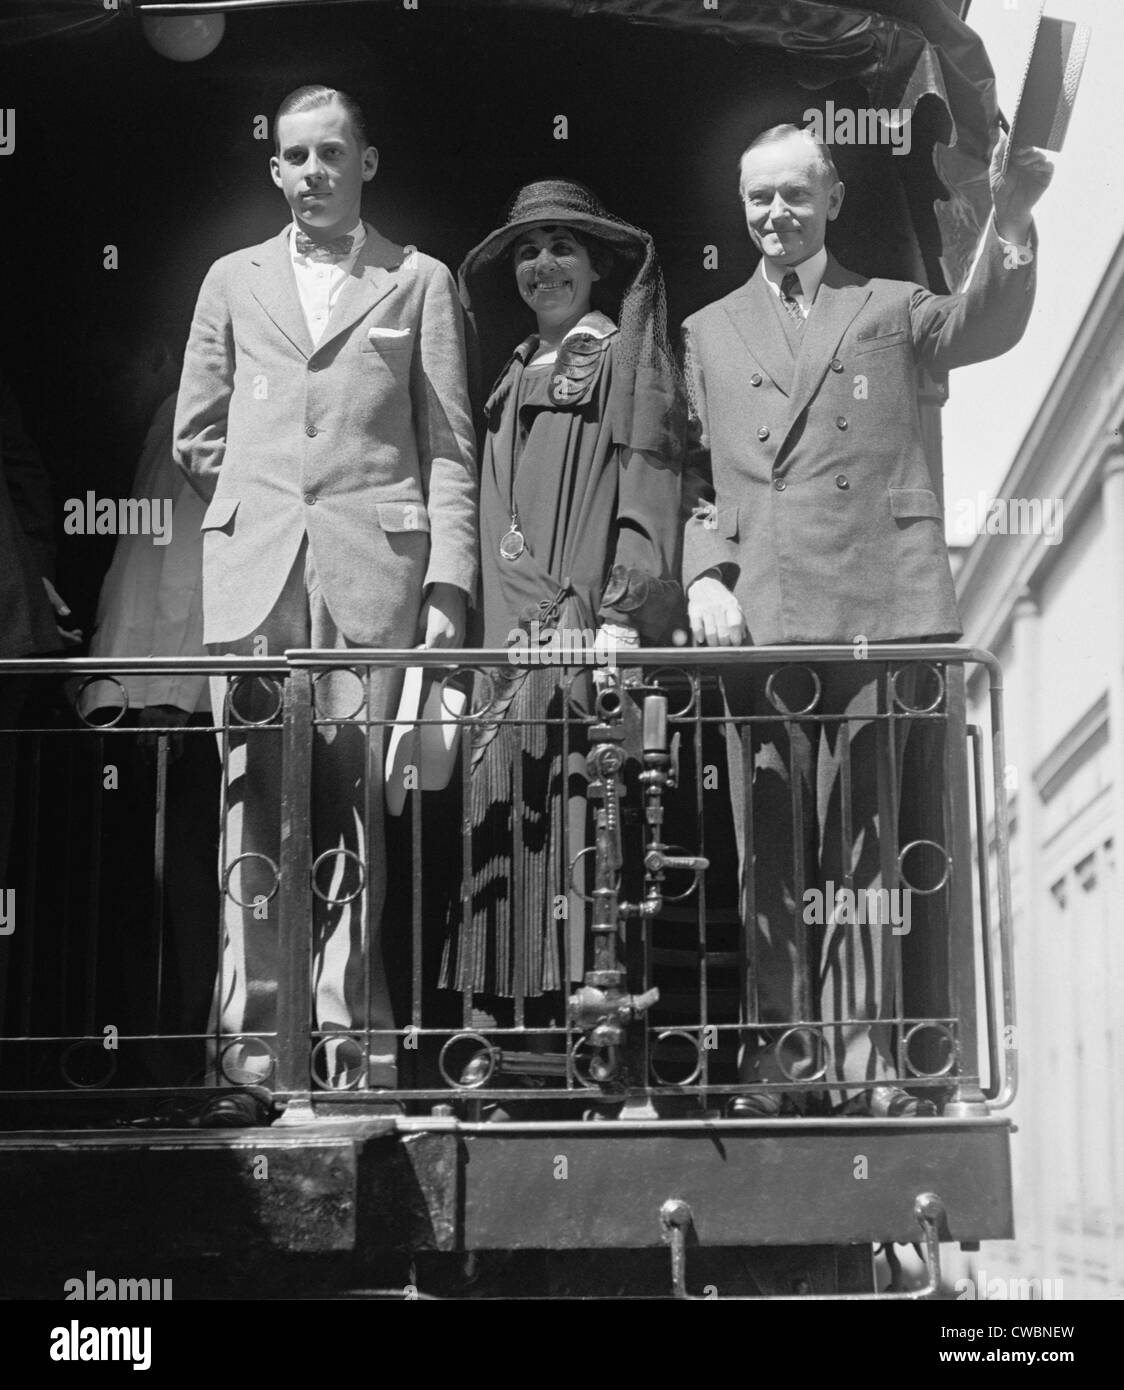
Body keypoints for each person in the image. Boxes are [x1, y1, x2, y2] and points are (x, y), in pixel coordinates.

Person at [681, 123, 1053, 1116]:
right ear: (740, 203)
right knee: (767, 845)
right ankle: (788, 1055)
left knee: (861, 847)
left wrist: (1007, 221)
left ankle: (858, 1057)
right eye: (758, 197)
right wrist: (704, 577)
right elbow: (685, 477)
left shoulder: (889, 306)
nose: (775, 214)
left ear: (832, 199)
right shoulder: (706, 331)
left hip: (871, 610)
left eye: (795, 195)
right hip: (759, 617)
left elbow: (983, 318)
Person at [174, 86, 477, 1101]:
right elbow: (196, 433)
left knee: (352, 814)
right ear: (274, 170)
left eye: (331, 154)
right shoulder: (231, 278)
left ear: (366, 162)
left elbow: (448, 450)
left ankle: (347, 1046)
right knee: (250, 814)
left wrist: (443, 587)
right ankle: (251, 1044)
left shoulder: (419, 279)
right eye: (294, 157)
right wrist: (262, 506)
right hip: (257, 579)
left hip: (372, 579)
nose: (312, 173)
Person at [440, 179, 682, 1027]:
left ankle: (587, 1054)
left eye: (563, 246)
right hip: (504, 643)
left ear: (599, 264)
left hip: (579, 636)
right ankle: (498, 1050)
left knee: (580, 825)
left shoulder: (620, 355)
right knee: (501, 838)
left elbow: (650, 478)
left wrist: (620, 609)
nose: (544, 264)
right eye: (529, 249)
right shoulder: (511, 371)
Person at [77, 387, 220, 1085]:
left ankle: (178, 1063)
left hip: (172, 698)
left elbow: (182, 560)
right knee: (160, 884)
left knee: (181, 885)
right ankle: (157, 1059)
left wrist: (167, 690)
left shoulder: (190, 406)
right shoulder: (170, 407)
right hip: (147, 691)